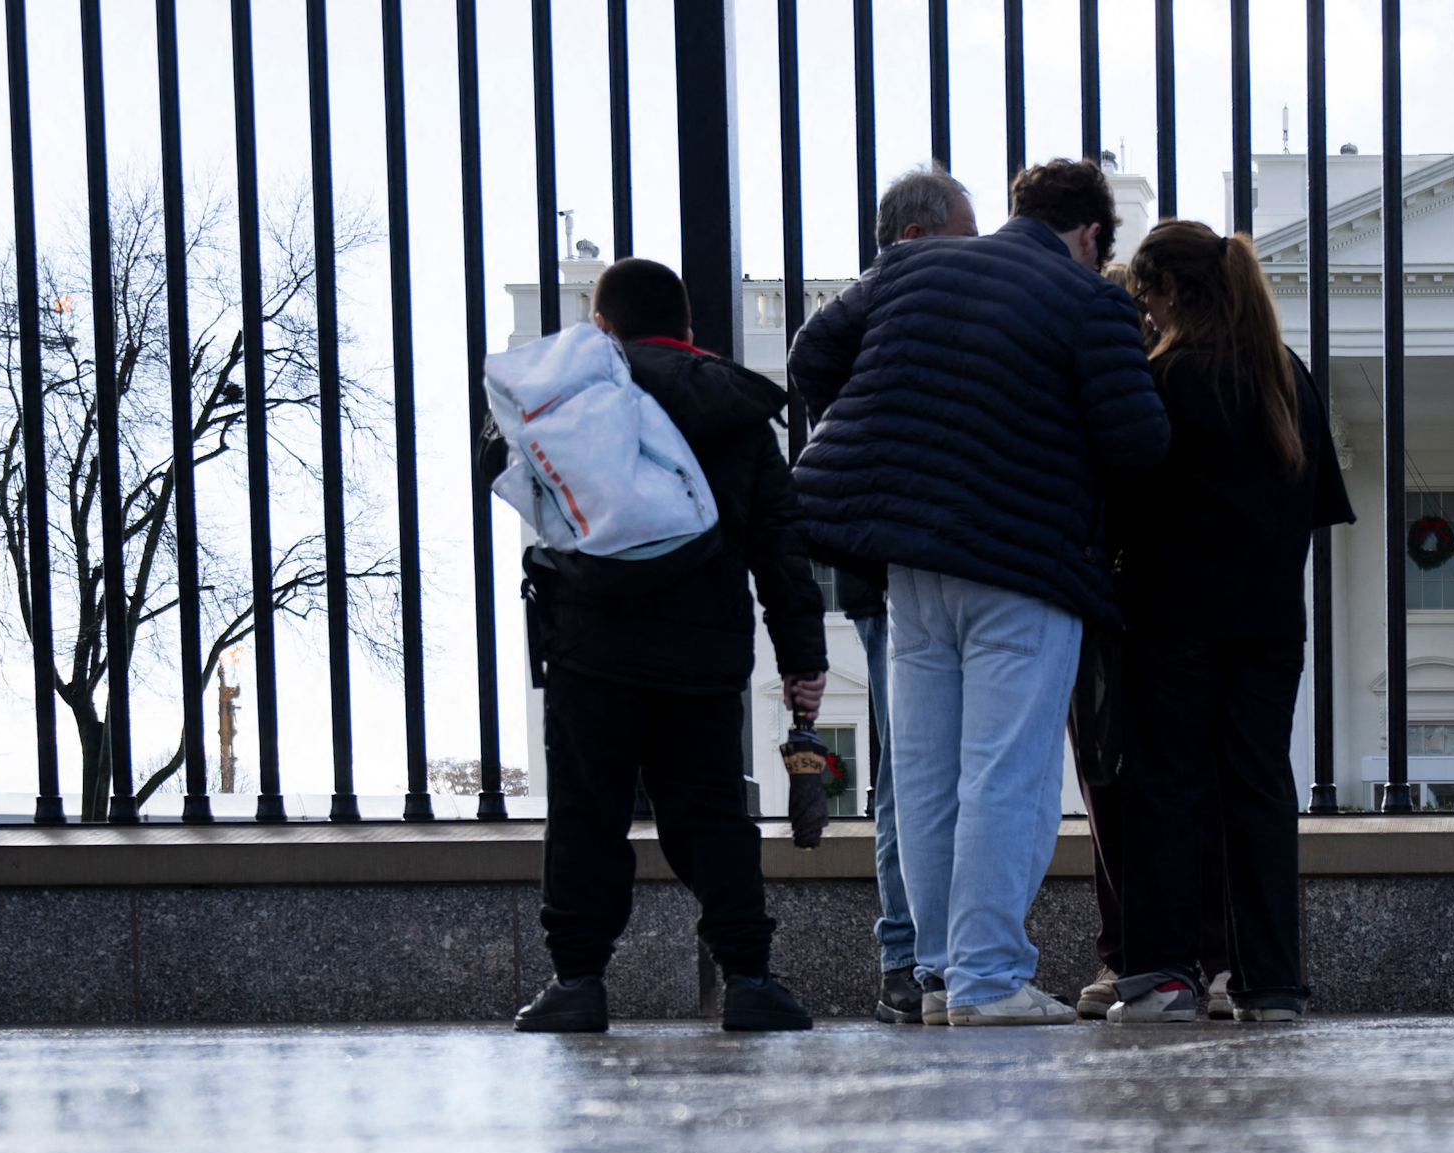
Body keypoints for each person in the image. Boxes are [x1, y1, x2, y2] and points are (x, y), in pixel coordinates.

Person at [787, 156, 1170, 1028]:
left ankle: (936, 974)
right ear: (1090, 235)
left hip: (911, 563)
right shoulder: (1088, 300)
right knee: (1008, 772)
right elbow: (1137, 441)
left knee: (925, 772)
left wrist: (903, 432)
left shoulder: (911, 265)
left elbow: (813, 355)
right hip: (1023, 563)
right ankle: (988, 977)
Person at [499, 256, 833, 1034]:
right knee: (713, 814)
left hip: (591, 645)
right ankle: (748, 978)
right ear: (687, 326)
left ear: (602, 326)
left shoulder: (573, 399)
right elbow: (781, 545)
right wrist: (802, 659)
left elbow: (500, 462)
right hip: (703, 650)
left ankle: (578, 981)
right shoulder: (733, 406)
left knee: (587, 813)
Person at [1094, 219, 1355, 1025]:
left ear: (1169, 290)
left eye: (1145, 296)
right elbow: (1319, 504)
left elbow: (1121, 504)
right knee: (1260, 790)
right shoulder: (1285, 375)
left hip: (1173, 618)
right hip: (1271, 623)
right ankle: (1271, 982)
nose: (1144, 312)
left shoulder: (1164, 379)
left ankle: (1164, 975)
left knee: (1165, 789)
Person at [833, 168, 981, 1025]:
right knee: (914, 770)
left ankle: (924, 955)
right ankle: (913, 954)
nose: (979, 256)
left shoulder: (867, 313)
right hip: (900, 566)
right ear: (919, 238)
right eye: (967, 237)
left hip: (895, 560)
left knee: (919, 767)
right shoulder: (887, 309)